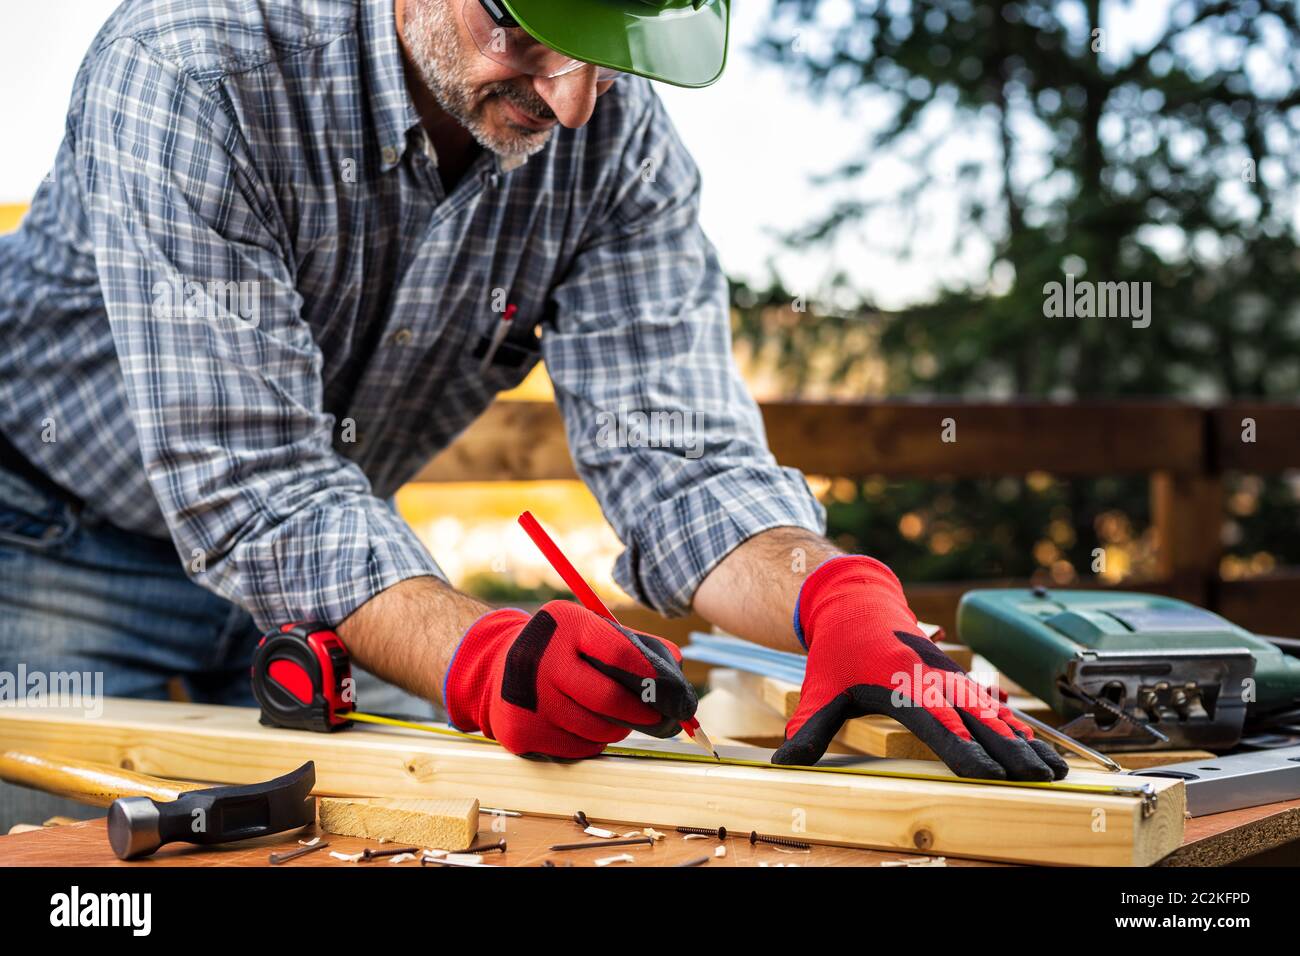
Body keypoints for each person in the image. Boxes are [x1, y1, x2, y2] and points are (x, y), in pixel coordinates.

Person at [0, 0, 1067, 815]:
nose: (568, 100)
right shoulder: (195, 63)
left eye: (604, 50)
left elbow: (679, 455)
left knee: (457, 821)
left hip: (332, 571)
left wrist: (835, 600)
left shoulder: (613, 139)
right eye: (524, 33)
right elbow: (251, 479)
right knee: (69, 866)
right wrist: (479, 656)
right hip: (51, 534)